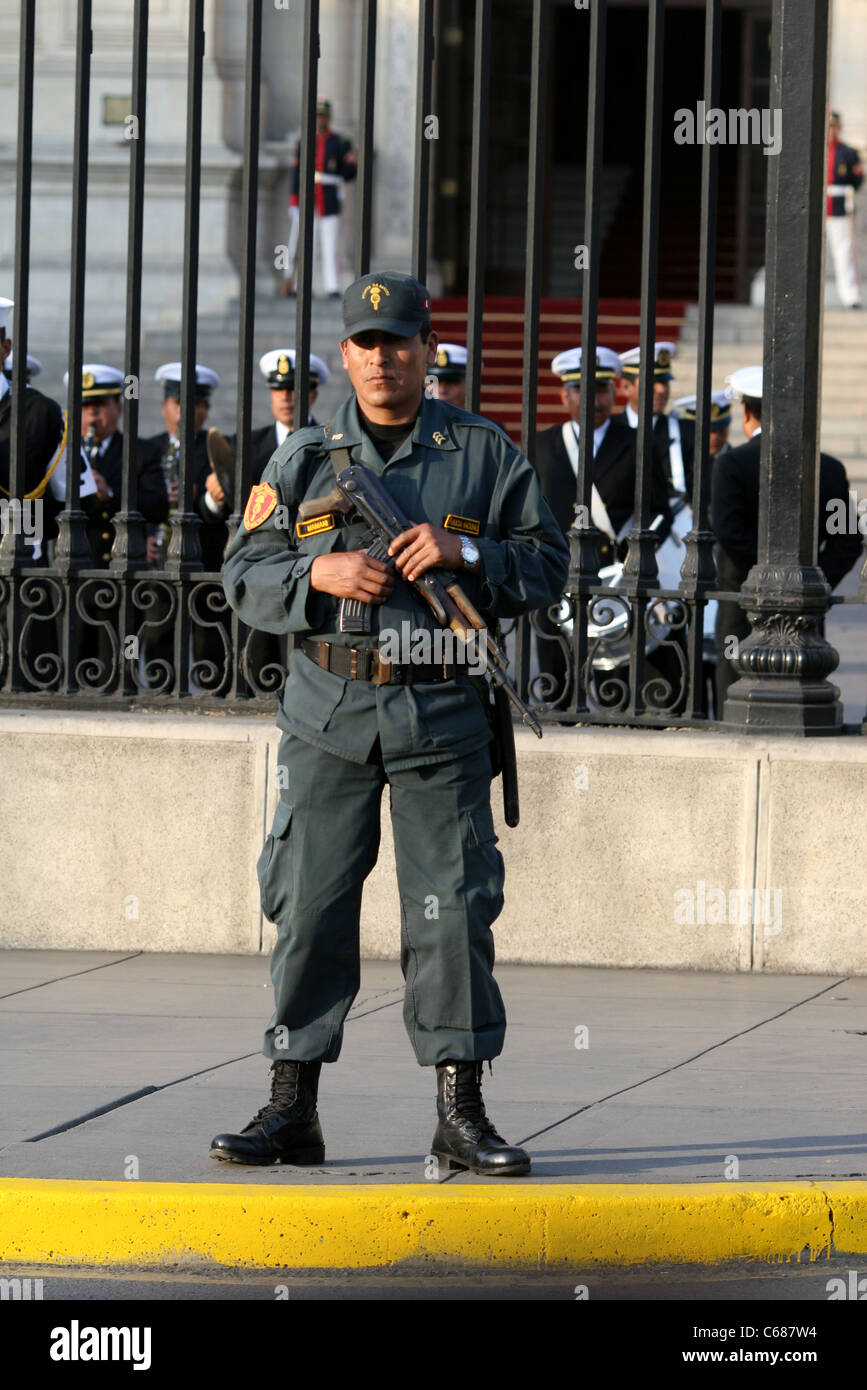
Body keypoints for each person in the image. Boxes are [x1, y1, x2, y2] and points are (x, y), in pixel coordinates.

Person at [213, 270, 568, 1175]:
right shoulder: (300, 458)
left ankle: (460, 1111)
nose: (383, 359)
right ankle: (291, 1107)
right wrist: (314, 578)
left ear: (426, 351)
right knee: (307, 906)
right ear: (347, 356)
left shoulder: (482, 453)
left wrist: (468, 549)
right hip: (326, 710)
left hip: (441, 711)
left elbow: (548, 564)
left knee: (450, 915)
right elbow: (242, 573)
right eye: (367, 345)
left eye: (400, 342)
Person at [711, 365, 862, 710]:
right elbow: (848, 537)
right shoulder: (829, 467)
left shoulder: (732, 465)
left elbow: (729, 532)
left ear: (747, 412)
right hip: (804, 607)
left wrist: (765, 577)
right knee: (800, 692)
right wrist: (814, 578)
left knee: (737, 694)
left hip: (742, 600)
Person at [532, 345, 671, 700]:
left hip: (616, 577)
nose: (594, 398)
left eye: (602, 389)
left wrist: (636, 551)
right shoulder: (543, 444)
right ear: (565, 394)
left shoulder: (638, 443)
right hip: (558, 577)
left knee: (619, 687)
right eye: (582, 390)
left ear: (615, 392)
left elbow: (660, 509)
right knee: (559, 687)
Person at [61, 364, 167, 566]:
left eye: (100, 405)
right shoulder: (63, 453)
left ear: (118, 408)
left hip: (124, 567)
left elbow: (158, 506)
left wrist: (110, 493)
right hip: (74, 565)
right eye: (84, 406)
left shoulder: (141, 452)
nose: (92, 414)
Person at [145, 361, 222, 572]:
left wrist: (198, 495)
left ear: (205, 409)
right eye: (178, 401)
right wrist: (142, 537)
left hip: (202, 558)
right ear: (164, 406)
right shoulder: (147, 448)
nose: (184, 409)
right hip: (153, 566)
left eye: (193, 403)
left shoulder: (219, 447)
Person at [280, 98, 357, 300]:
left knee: (331, 244)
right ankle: (300, 285)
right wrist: (294, 200)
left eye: (324, 116)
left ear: (329, 118)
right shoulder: (304, 142)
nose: (321, 119)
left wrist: (344, 169)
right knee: (306, 245)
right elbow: (297, 173)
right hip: (308, 199)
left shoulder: (340, 143)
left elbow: (350, 171)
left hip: (329, 198)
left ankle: (332, 286)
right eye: (318, 116)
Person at [619, 340, 695, 496]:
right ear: (626, 386)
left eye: (664, 381)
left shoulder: (687, 432)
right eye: (652, 381)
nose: (661, 389)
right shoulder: (608, 429)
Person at [826, 110, 863, 310]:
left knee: (844, 251)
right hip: (822, 206)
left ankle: (850, 296)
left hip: (840, 206)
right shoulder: (819, 149)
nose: (831, 131)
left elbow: (856, 181)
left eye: (834, 127)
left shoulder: (847, 153)